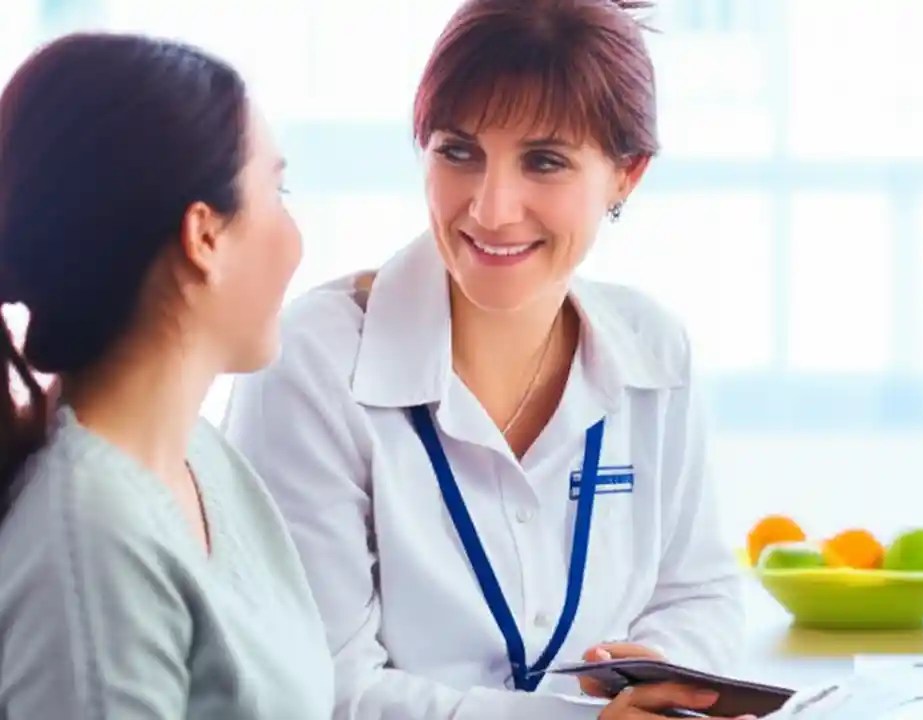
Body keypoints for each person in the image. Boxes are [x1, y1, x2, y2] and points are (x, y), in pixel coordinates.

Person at [221, 0, 747, 718]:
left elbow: (700, 594)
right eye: (458, 152)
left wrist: (670, 675)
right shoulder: (311, 365)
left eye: (545, 161)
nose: (492, 208)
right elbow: (322, 690)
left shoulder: (655, 350)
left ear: (627, 174)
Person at [0, 32, 334, 718]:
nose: (296, 238)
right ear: (204, 235)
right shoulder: (92, 543)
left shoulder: (199, 457)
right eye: (278, 189)